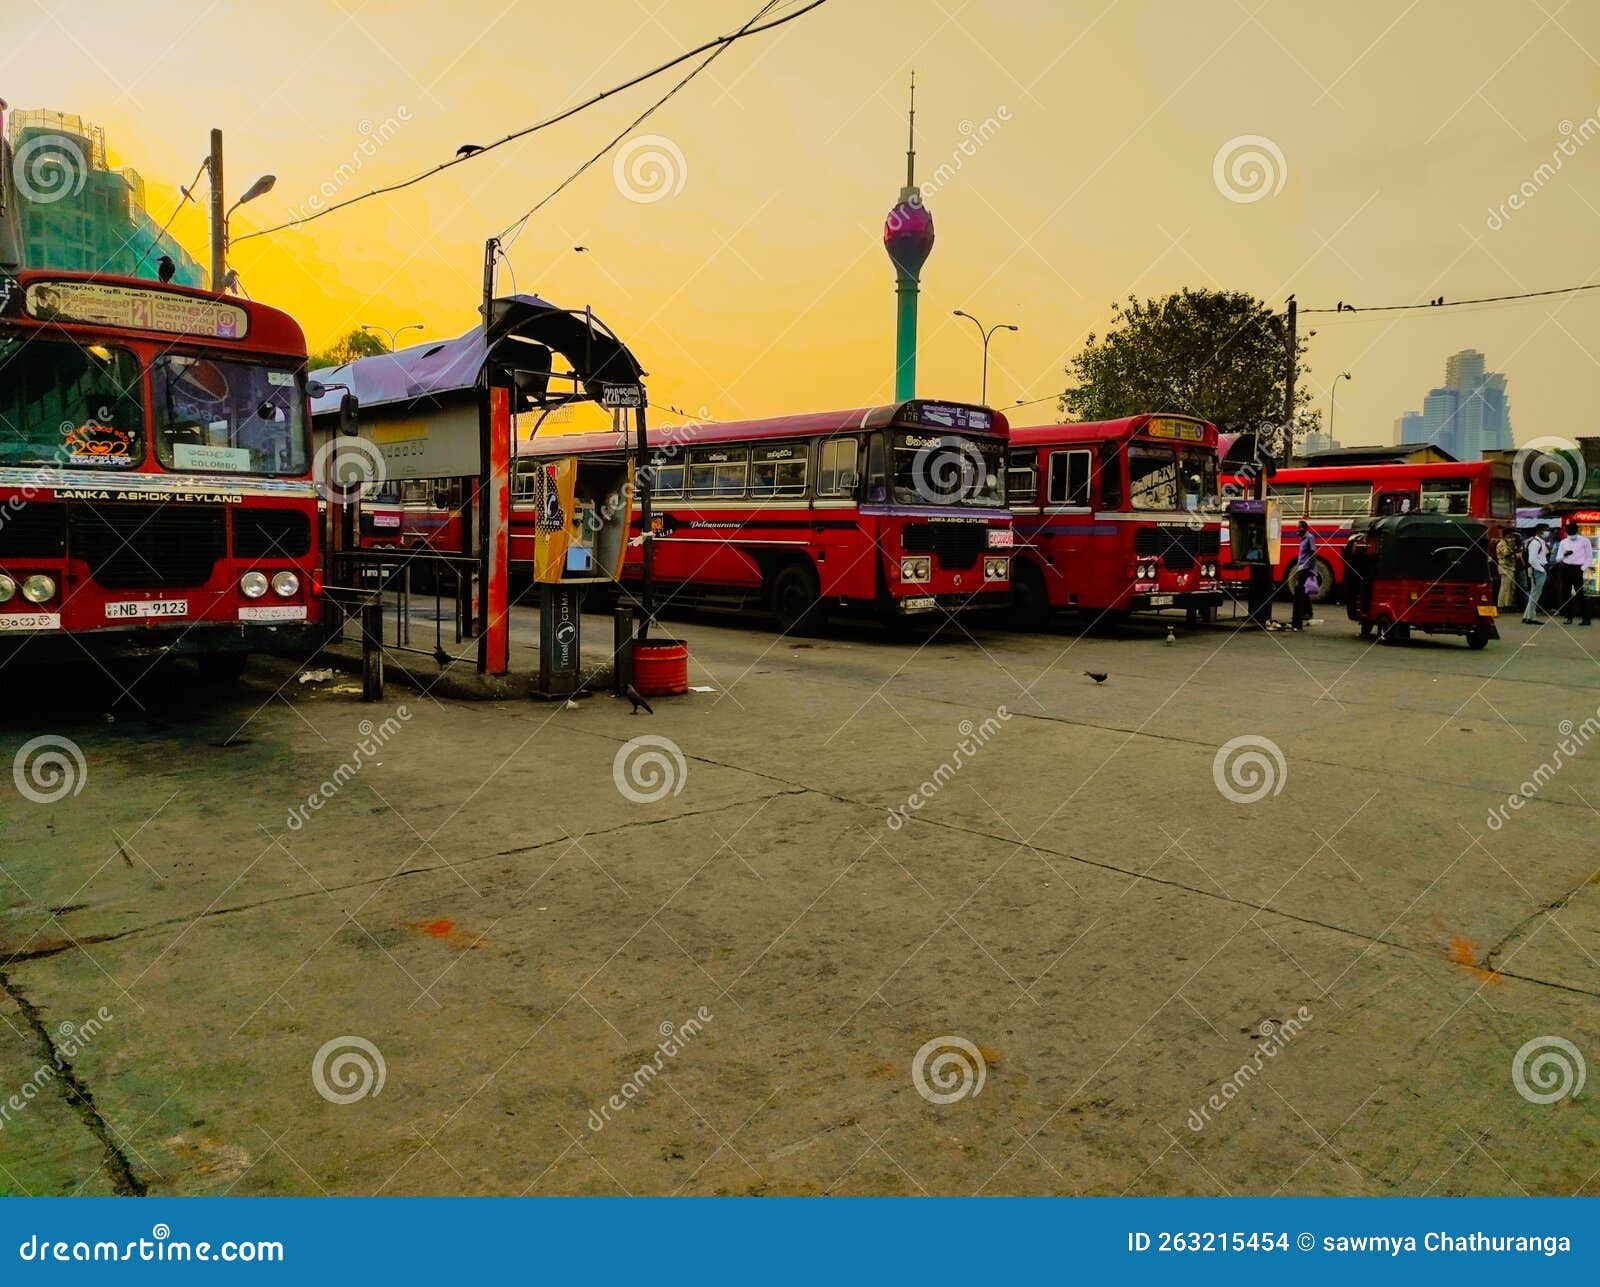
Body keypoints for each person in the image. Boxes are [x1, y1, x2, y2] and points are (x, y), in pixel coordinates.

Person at [1556, 521, 1593, 626]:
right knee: (1566, 593)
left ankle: (1586, 618)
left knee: (1580, 594)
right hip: (1566, 567)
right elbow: (1558, 559)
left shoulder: (1585, 541)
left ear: (1577, 531)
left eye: (1573, 533)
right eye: (1569, 533)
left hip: (1578, 568)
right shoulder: (1563, 542)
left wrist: (1582, 568)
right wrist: (1564, 555)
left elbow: (1589, 557)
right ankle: (1568, 617)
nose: (1571, 535)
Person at [1291, 519, 1316, 631]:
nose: (1297, 530)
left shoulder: (1310, 538)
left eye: (1298, 528)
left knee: (1301, 589)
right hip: (1301, 566)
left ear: (1304, 528)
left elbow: (1313, 553)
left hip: (1306, 568)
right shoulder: (1302, 538)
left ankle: (1307, 612)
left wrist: (1312, 569)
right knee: (1302, 590)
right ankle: (1307, 612)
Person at [1522, 525, 1550, 625]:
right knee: (1535, 595)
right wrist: (1541, 570)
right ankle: (1531, 618)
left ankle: (1527, 616)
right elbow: (1532, 560)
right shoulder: (1535, 543)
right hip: (1538, 570)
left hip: (1537, 569)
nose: (1548, 532)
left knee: (1534, 594)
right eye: (1546, 530)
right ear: (1539, 531)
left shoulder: (1539, 542)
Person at [1495, 530, 1518, 610]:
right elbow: (1506, 553)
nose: (1511, 538)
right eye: (1509, 536)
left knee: (1510, 587)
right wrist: (1512, 547)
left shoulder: (1507, 543)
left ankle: (1507, 604)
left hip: (1510, 567)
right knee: (1504, 587)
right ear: (1505, 536)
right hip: (1504, 567)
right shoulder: (1501, 544)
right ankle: (1501, 605)